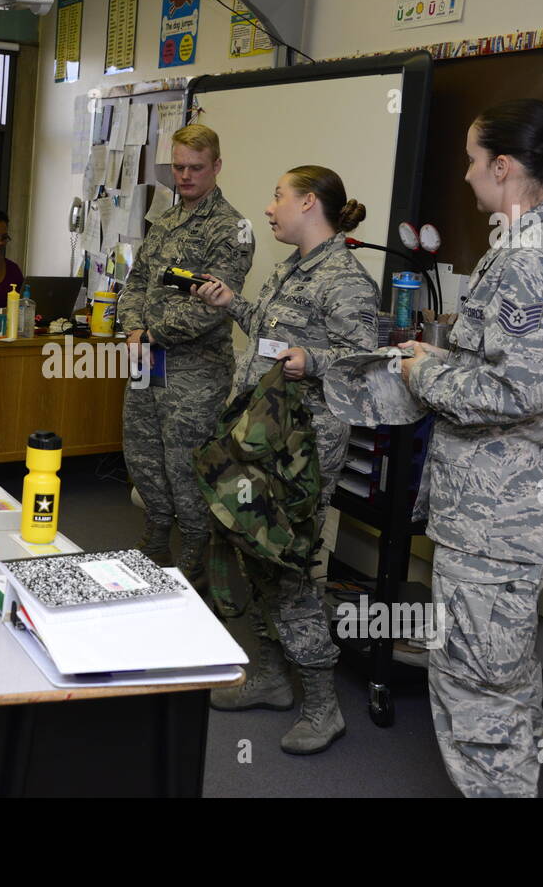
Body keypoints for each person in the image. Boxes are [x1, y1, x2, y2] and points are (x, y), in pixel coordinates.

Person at [399, 99, 543, 797]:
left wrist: (426, 371)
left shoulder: (534, 260)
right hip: (493, 508)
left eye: (472, 159)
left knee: (483, 692)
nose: (464, 173)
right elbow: (505, 358)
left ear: (504, 166)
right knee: (490, 677)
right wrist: (446, 347)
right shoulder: (526, 246)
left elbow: (518, 391)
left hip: (505, 513)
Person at [195, 166, 378, 755]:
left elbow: (363, 360)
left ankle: (324, 708)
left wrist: (317, 361)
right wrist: (234, 305)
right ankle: (273, 680)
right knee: (254, 556)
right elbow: (276, 337)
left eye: (278, 196)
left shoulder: (344, 279)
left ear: (307, 202)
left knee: (290, 571)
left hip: (302, 454)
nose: (269, 208)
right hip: (258, 441)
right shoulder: (291, 267)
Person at [117, 124, 254, 587]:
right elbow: (136, 283)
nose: (185, 176)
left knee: (185, 462)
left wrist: (152, 332)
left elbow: (213, 309)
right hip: (146, 361)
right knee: (143, 453)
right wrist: (133, 327)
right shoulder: (165, 222)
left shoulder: (230, 229)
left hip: (195, 373)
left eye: (196, 167)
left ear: (216, 166)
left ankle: (194, 555)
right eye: (178, 167)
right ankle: (155, 538)